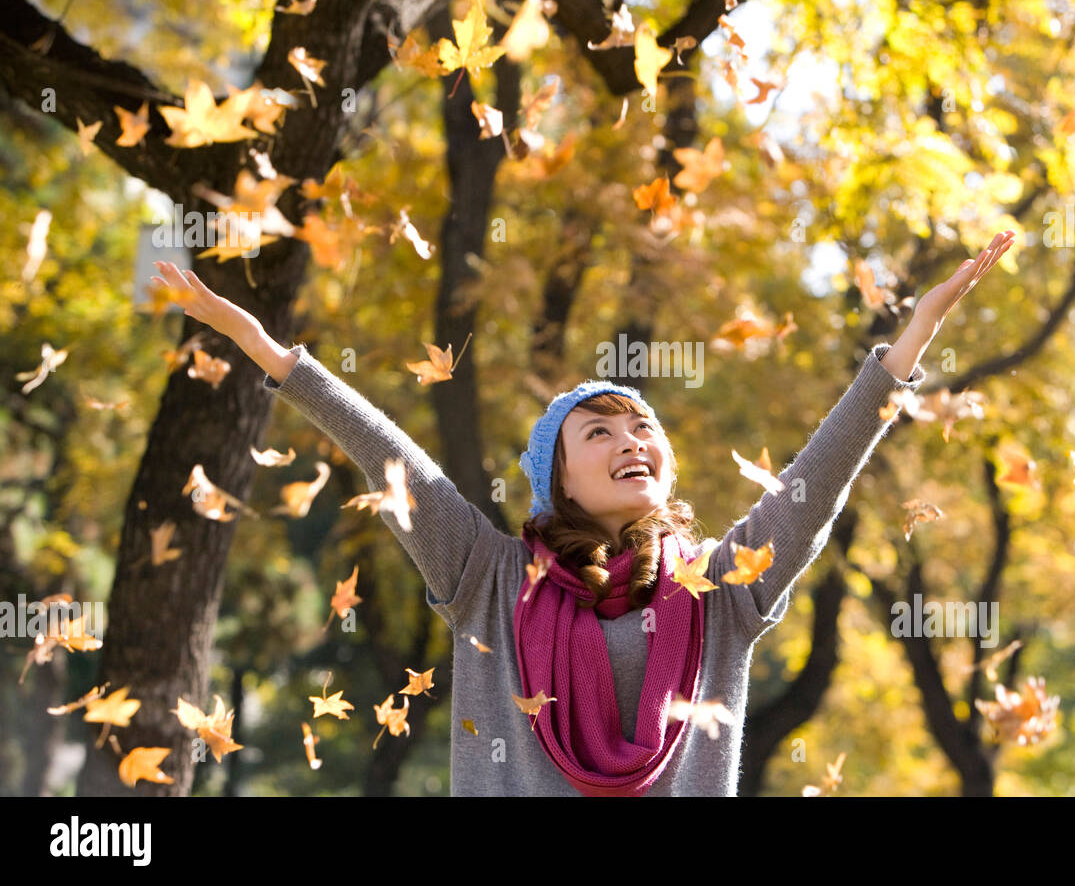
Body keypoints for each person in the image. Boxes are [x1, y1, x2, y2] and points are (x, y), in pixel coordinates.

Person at [149, 230, 1013, 796]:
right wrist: (272, 356)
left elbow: (813, 485)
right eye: (599, 431)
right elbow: (390, 459)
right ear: (557, 479)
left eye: (642, 427)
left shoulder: (720, 585)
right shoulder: (487, 577)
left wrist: (907, 349)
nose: (632, 438)